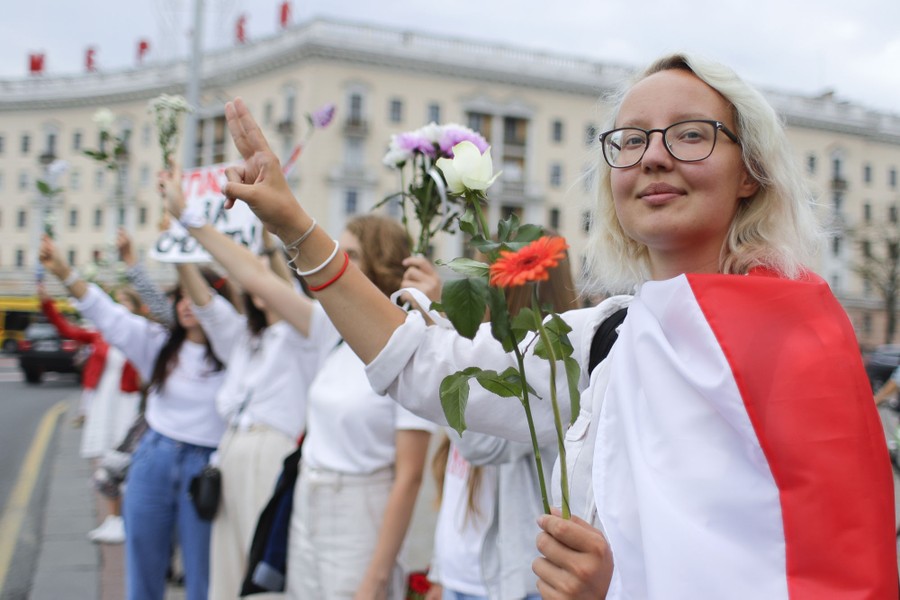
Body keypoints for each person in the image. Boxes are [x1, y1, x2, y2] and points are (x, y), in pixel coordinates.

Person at [217, 52, 897, 599]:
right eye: (630, 141)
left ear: (749, 170)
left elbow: (815, 572)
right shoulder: (605, 339)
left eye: (690, 134)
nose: (653, 157)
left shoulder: (801, 340)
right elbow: (425, 364)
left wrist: (616, 589)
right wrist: (293, 225)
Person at [158, 169, 435, 600]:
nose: (337, 261)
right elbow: (256, 277)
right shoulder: (332, 329)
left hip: (362, 511)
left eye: (352, 255)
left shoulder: (413, 347)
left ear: (382, 265)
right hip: (307, 500)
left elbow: (410, 476)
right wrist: (187, 216)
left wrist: (377, 578)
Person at [39, 234, 229, 600]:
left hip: (206, 468)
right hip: (153, 459)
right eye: (182, 295)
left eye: (200, 296)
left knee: (203, 577)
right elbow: (105, 313)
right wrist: (64, 271)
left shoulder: (237, 351)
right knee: (143, 569)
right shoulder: (157, 343)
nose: (189, 304)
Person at [171, 249, 314, 598]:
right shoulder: (244, 338)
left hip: (271, 454)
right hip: (231, 452)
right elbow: (206, 303)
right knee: (226, 564)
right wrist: (178, 249)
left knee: (261, 559)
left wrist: (270, 244)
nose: (258, 284)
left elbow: (289, 292)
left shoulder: (305, 338)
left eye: (264, 277)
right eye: (253, 280)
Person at [38, 282, 143, 544]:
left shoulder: (141, 335)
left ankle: (130, 520)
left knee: (127, 462)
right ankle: (113, 519)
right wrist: (47, 305)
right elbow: (68, 330)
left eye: (125, 302)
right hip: (103, 402)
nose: (119, 306)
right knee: (104, 463)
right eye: (115, 301)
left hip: (127, 403)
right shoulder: (101, 334)